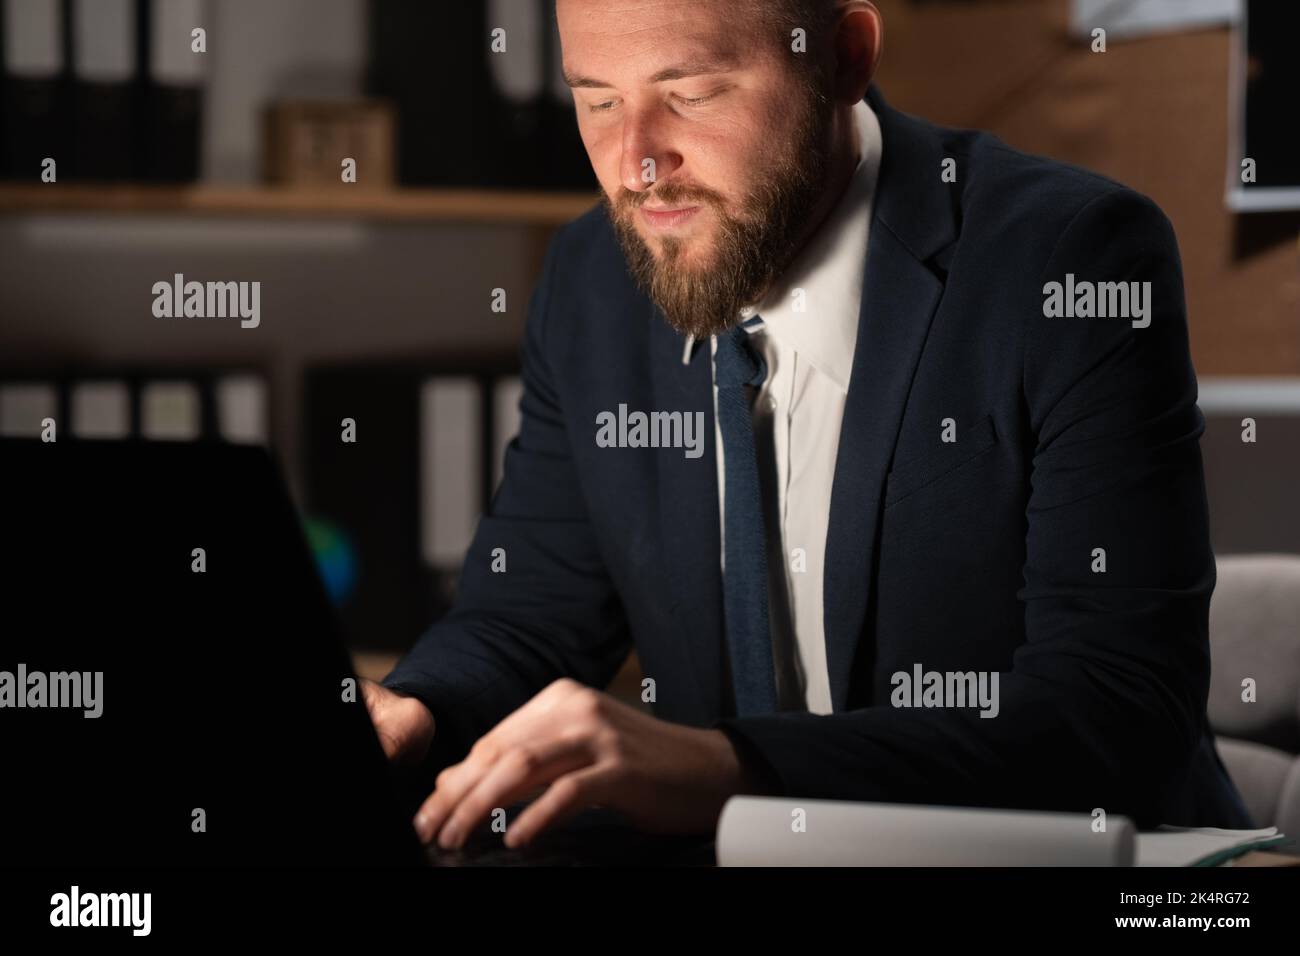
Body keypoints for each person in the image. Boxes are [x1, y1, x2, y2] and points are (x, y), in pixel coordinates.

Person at [363, 0, 1252, 851]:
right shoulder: (592, 278)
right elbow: (529, 615)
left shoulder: (1072, 260)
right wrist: (420, 710)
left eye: (693, 94)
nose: (635, 164)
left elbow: (1116, 711)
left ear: (844, 58)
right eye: (595, 99)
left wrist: (728, 770)